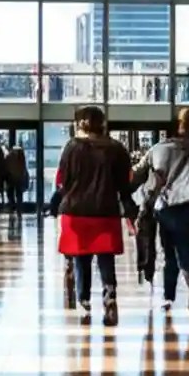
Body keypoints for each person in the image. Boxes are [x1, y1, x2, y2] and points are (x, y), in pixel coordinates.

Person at [51, 106, 136, 326]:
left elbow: (62, 181)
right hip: (105, 210)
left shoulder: (71, 148)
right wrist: (129, 209)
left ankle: (84, 303)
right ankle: (109, 296)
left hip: (76, 212)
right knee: (106, 258)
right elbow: (125, 185)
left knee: (81, 259)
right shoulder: (116, 149)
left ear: (80, 124)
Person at [137, 107, 189, 311]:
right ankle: (172, 293)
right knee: (184, 245)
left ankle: (185, 285)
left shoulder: (160, 148)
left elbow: (137, 173)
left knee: (171, 251)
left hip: (167, 206)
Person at [5, 146, 28, 216]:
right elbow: (24, 169)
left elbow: (6, 166)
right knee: (19, 195)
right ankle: (18, 209)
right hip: (19, 178)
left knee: (10, 194)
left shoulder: (9, 157)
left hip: (11, 178)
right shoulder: (21, 157)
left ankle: (12, 207)